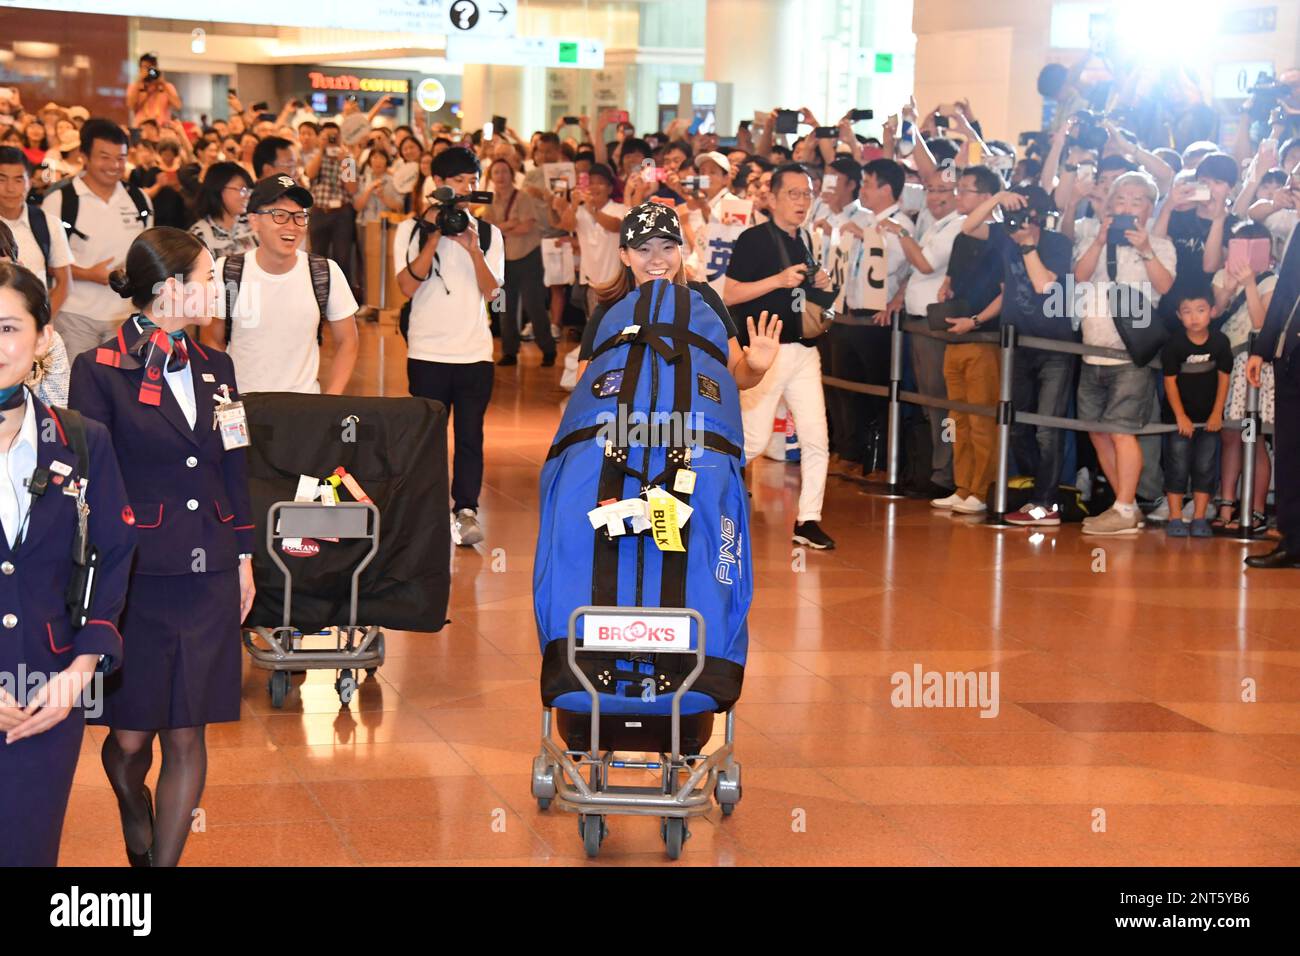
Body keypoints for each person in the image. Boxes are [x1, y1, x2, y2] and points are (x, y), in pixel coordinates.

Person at [68, 227, 256, 867]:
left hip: (208, 567)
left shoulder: (217, 366)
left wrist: (246, 555)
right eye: (206, 278)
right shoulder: (99, 370)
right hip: (137, 574)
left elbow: (235, 463)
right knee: (129, 737)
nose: (215, 290)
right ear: (170, 288)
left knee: (187, 730)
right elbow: (91, 478)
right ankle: (128, 797)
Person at [0, 261, 135, 867]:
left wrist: (80, 674)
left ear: (43, 339)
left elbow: (114, 557)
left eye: (7, 328)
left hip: (45, 696)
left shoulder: (82, 442)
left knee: (29, 849)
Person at [394, 147, 504, 547]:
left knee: (471, 435)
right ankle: (426, 508)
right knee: (428, 436)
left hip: (474, 352)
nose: (466, 188)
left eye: (472, 181)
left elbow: (495, 293)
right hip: (427, 351)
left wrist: (472, 248)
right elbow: (406, 287)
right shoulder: (410, 230)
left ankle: (467, 510)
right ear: (437, 184)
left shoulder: (489, 234)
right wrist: (435, 236)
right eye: (458, 181)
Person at [724, 162, 835, 549]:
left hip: (804, 351)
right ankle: (706, 489)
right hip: (766, 351)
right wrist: (777, 279)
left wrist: (821, 284)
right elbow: (730, 294)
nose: (802, 201)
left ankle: (808, 519)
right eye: (793, 193)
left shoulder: (804, 239)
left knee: (816, 439)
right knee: (752, 441)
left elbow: (809, 298)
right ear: (771, 198)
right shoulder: (754, 239)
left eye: (807, 193)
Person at [958, 184, 1077, 524]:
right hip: (1017, 346)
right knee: (1017, 426)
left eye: (1022, 217)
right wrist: (995, 198)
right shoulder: (1002, 236)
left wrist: (1027, 247)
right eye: (1010, 217)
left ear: (1037, 217)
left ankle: (1047, 503)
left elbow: (1044, 285)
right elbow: (968, 227)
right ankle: (1033, 491)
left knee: (1046, 429)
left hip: (1054, 346)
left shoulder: (1057, 244)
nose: (1015, 224)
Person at [575, 201, 780, 389]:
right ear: (625, 256)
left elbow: (737, 376)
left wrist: (755, 368)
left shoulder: (704, 299)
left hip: (694, 426)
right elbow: (585, 391)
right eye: (644, 249)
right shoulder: (610, 311)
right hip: (631, 427)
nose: (657, 260)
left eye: (667, 248)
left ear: (679, 251)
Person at [1073, 170, 1177, 535]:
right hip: (1091, 351)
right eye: (1121, 199)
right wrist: (1100, 241)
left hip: (1131, 356)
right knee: (1098, 432)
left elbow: (1165, 287)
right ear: (1109, 204)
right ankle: (1125, 506)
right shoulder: (1092, 237)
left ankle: (1124, 506)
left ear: (1150, 208)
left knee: (1121, 430)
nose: (1128, 206)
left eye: (1137, 200)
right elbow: (1079, 277)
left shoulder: (1161, 244)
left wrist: (1145, 249)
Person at [202, 175, 359, 395]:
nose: (292, 226)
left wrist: (331, 398)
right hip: (245, 406)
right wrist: (225, 393)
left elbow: (347, 340)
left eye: (299, 216)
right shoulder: (226, 271)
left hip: (303, 409)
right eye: (280, 215)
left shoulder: (325, 272)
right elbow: (212, 338)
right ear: (255, 221)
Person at [42, 119, 153, 360]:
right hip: (74, 316)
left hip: (126, 317)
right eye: (105, 157)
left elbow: (149, 254)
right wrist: (88, 274)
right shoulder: (60, 201)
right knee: (77, 389)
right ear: (84, 155)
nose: (114, 165)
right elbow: (45, 262)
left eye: (121, 158)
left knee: (119, 392)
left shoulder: (139, 199)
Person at [1213, 222, 1278, 530]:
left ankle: (1255, 508)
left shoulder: (1271, 281)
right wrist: (1230, 286)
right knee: (1229, 435)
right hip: (1227, 363)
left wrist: (1251, 283)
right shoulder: (1222, 276)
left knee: (1254, 436)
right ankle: (1226, 504)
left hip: (1254, 364)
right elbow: (1216, 312)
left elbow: (1261, 322)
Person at [1244, 217, 1300, 569]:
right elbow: (1286, 291)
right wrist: (1262, 348)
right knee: (1291, 451)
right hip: (1292, 353)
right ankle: (1294, 542)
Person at [1159, 290, 1232, 537]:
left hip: (1209, 419)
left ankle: (1200, 517)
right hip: (1179, 420)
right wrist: (1180, 416)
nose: (1194, 317)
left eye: (1201, 310)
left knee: (1205, 466)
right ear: (1179, 316)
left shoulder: (1220, 342)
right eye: (1187, 311)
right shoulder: (1173, 345)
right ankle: (1175, 516)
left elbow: (1224, 380)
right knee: (1177, 465)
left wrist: (1216, 414)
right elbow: (1169, 382)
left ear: (1212, 312)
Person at [480, 158, 555, 367]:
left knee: (534, 306)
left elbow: (526, 227)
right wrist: (510, 225)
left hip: (528, 257)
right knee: (504, 307)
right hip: (504, 261)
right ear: (491, 177)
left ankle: (548, 349)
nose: (501, 176)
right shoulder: (491, 201)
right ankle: (509, 351)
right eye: (496, 173)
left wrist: (501, 227)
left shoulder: (523, 197)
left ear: (512, 175)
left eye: (504, 172)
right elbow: (488, 230)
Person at [188, 162, 256, 259]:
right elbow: (180, 272)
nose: (247, 195)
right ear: (218, 188)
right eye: (242, 189)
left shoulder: (253, 225)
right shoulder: (199, 234)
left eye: (248, 190)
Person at [126, 54, 181, 129]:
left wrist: (162, 83)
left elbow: (178, 106)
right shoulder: (135, 87)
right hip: (141, 128)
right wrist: (140, 81)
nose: (149, 71)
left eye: (151, 68)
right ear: (140, 69)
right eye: (145, 67)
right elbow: (130, 105)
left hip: (162, 129)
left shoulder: (167, 87)